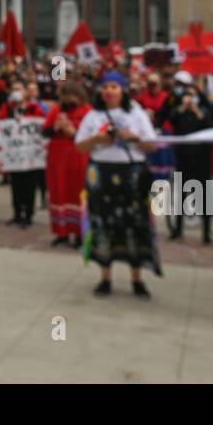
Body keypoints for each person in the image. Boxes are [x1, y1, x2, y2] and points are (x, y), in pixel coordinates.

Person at [75, 71, 160, 298]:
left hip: (131, 175)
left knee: (135, 222)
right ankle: (105, 277)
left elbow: (152, 146)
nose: (109, 91)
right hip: (101, 174)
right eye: (105, 87)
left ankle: (137, 278)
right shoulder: (93, 115)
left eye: (114, 86)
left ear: (122, 90)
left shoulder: (136, 113)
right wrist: (98, 139)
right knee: (103, 222)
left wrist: (132, 137)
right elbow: (80, 146)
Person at [157, 71, 213, 243]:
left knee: (205, 196)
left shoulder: (205, 111)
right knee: (181, 195)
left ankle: (206, 234)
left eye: (192, 95)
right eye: (186, 95)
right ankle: (177, 230)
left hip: (202, 159)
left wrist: (197, 110)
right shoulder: (178, 111)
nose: (189, 98)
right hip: (183, 158)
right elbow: (169, 118)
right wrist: (183, 108)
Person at [43, 82, 91, 246]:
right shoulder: (56, 110)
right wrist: (56, 127)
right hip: (58, 159)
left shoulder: (87, 111)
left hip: (79, 157)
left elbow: (92, 135)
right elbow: (45, 131)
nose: (67, 99)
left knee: (78, 193)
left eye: (70, 96)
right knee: (59, 192)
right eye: (64, 96)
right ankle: (61, 233)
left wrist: (73, 132)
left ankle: (79, 234)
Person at [0, 80, 47, 227]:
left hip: (30, 155)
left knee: (29, 185)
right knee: (15, 185)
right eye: (13, 89)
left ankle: (28, 215)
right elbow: (0, 125)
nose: (16, 92)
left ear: (25, 92)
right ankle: (17, 213)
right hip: (14, 155)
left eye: (19, 89)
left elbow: (41, 124)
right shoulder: (7, 108)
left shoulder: (34, 107)